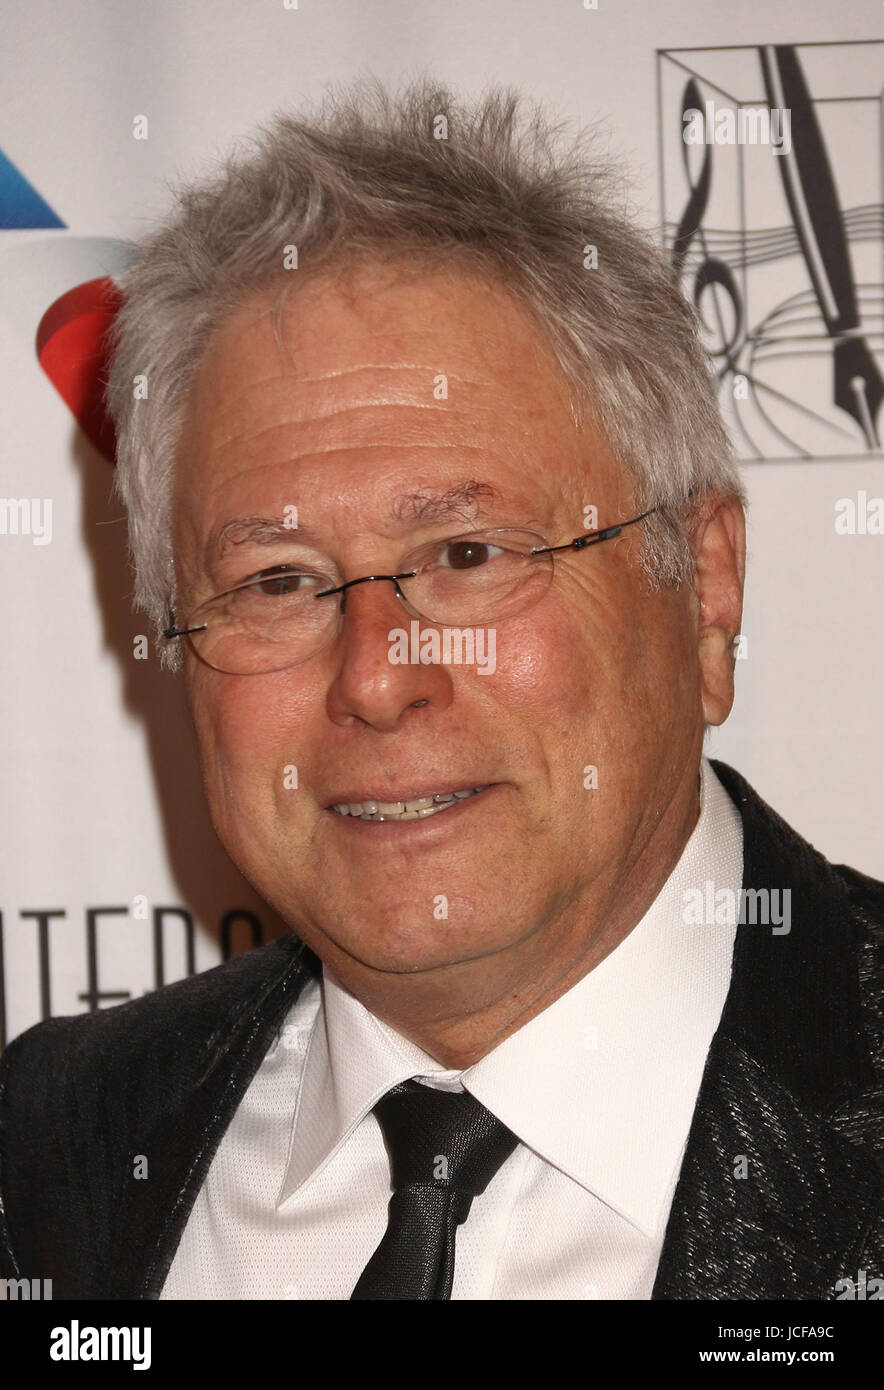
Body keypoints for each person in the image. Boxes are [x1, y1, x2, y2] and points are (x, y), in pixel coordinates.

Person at [0, 78, 880, 1301]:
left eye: (467, 557)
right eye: (277, 581)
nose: (373, 678)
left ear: (704, 590)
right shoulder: (47, 1151)